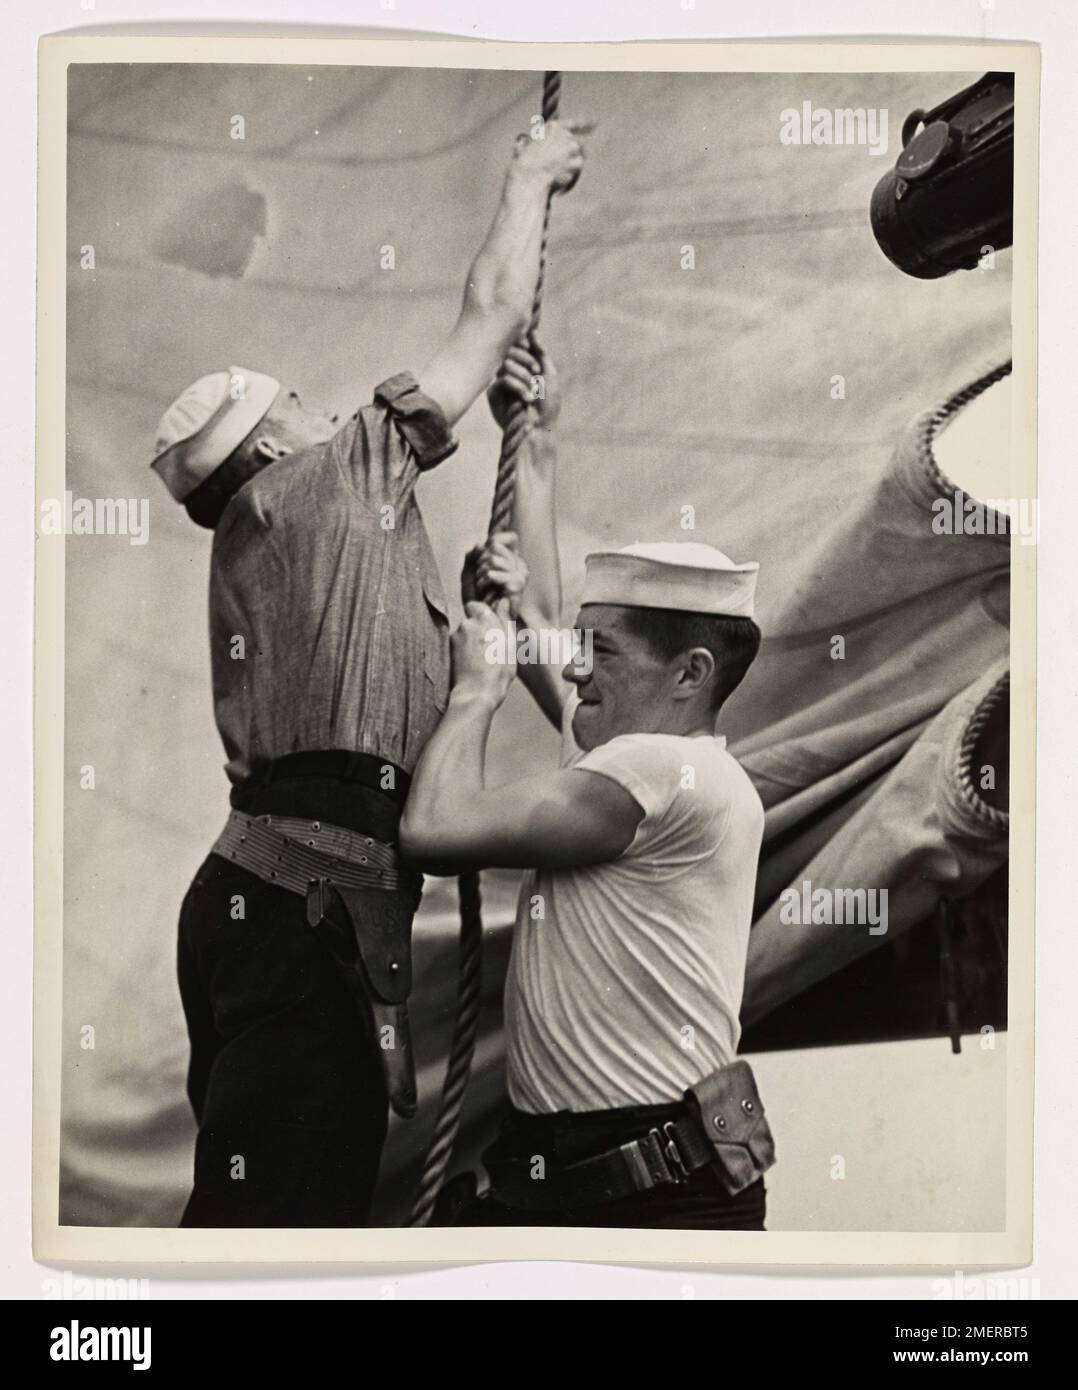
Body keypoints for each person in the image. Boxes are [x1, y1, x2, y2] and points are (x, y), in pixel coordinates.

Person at [148, 120, 589, 1227]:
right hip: (312, 908)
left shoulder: (277, 545)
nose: (331, 411)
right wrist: (531, 176)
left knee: (268, 1203)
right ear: (268, 447)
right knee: (285, 1225)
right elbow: (491, 311)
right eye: (300, 404)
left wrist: (465, 627)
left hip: (268, 902)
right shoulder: (325, 481)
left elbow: (390, 696)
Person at [399, 358, 777, 1227]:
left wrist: (476, 692)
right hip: (620, 1175)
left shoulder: (655, 776)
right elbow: (540, 628)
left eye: (601, 652)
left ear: (690, 673)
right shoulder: (656, 763)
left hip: (650, 1200)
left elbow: (435, 827)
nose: (574, 669)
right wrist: (535, 436)